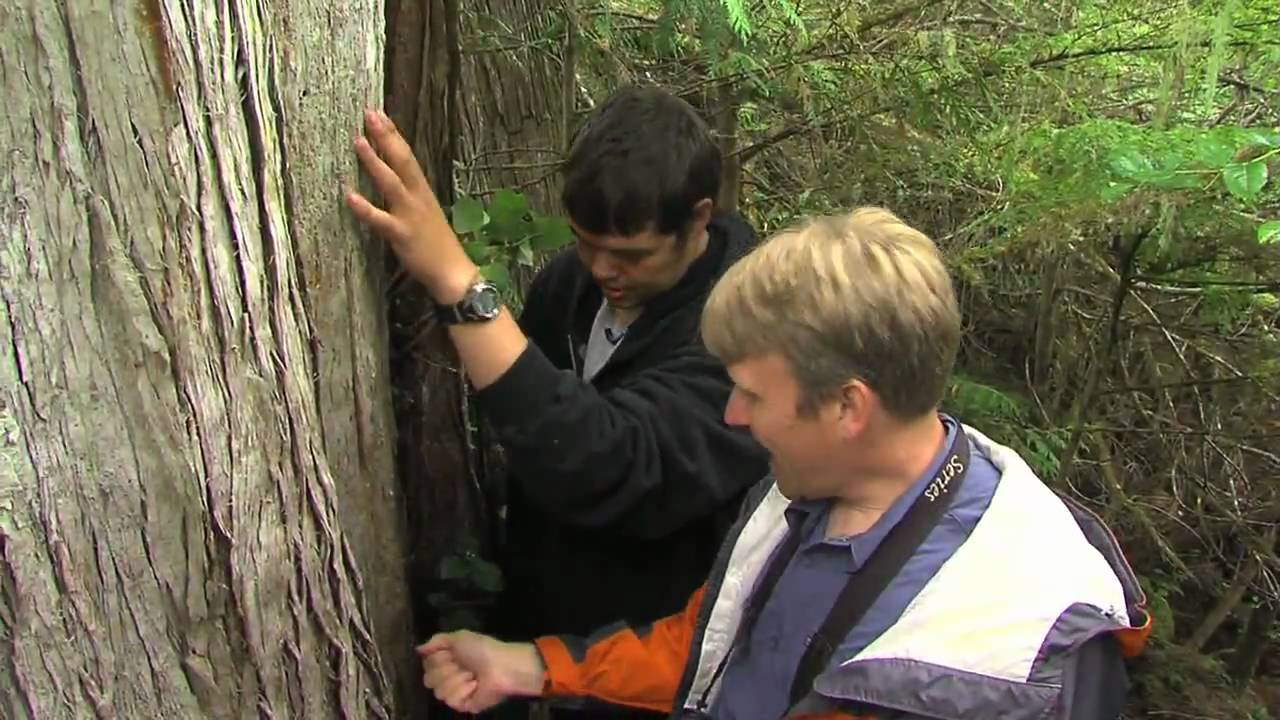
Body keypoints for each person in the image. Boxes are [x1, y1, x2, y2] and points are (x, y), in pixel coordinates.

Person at [411, 208, 1154, 719]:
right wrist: (536, 667)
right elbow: (712, 651)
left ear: (847, 408)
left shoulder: (1023, 655)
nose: (733, 416)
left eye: (751, 394)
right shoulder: (800, 497)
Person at [346, 88, 770, 717]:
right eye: (584, 242)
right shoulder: (566, 286)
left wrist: (457, 284)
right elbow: (532, 443)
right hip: (533, 644)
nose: (603, 268)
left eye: (631, 254)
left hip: (647, 672)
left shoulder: (748, 330)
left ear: (699, 218)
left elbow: (611, 461)